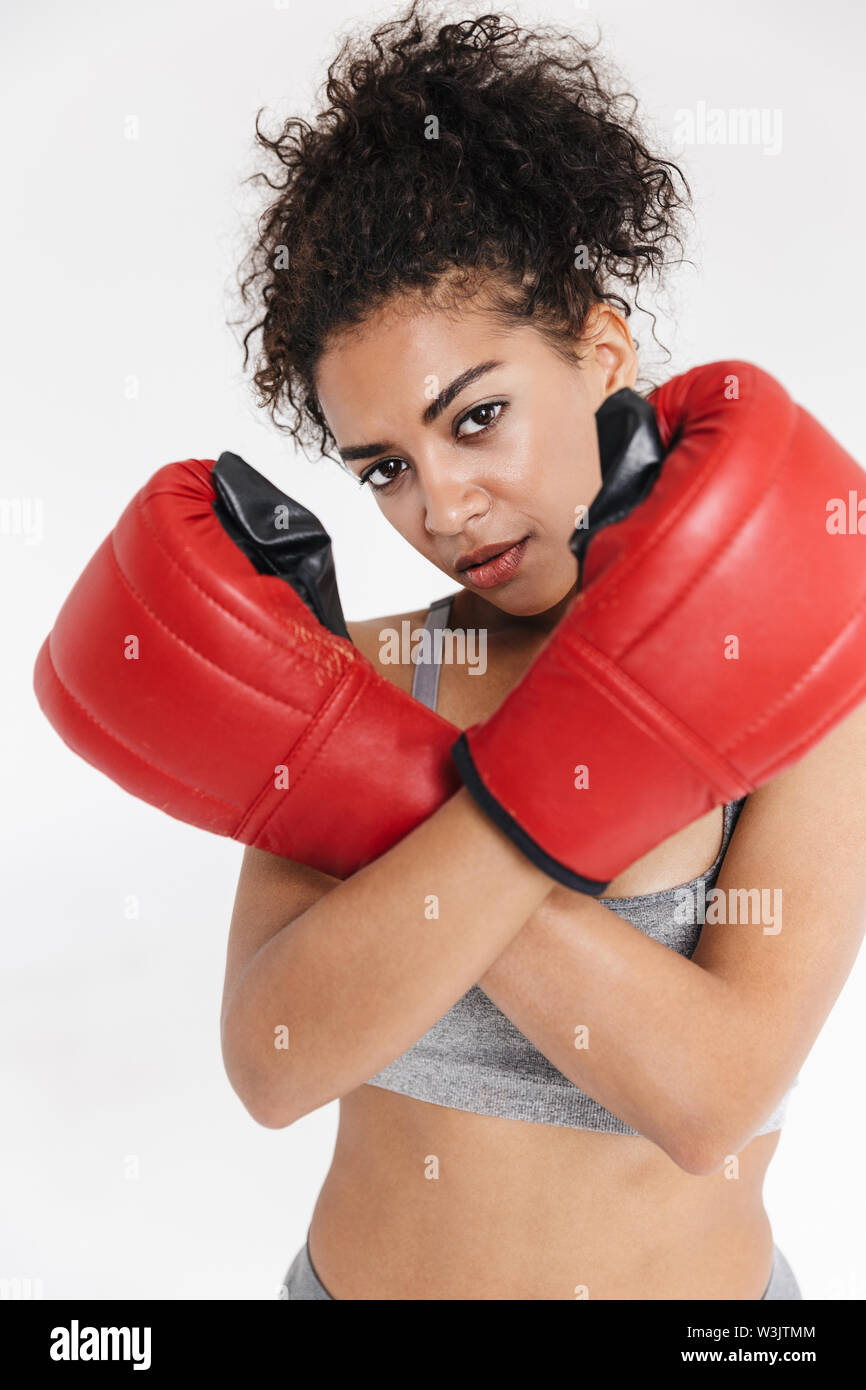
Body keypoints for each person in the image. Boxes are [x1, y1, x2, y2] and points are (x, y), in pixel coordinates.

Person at [221, 2, 866, 1299]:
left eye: (479, 417)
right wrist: (433, 744)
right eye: (385, 467)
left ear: (600, 349)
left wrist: (394, 789)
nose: (439, 506)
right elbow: (273, 1063)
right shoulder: (359, 668)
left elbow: (708, 1100)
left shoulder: (797, 675)